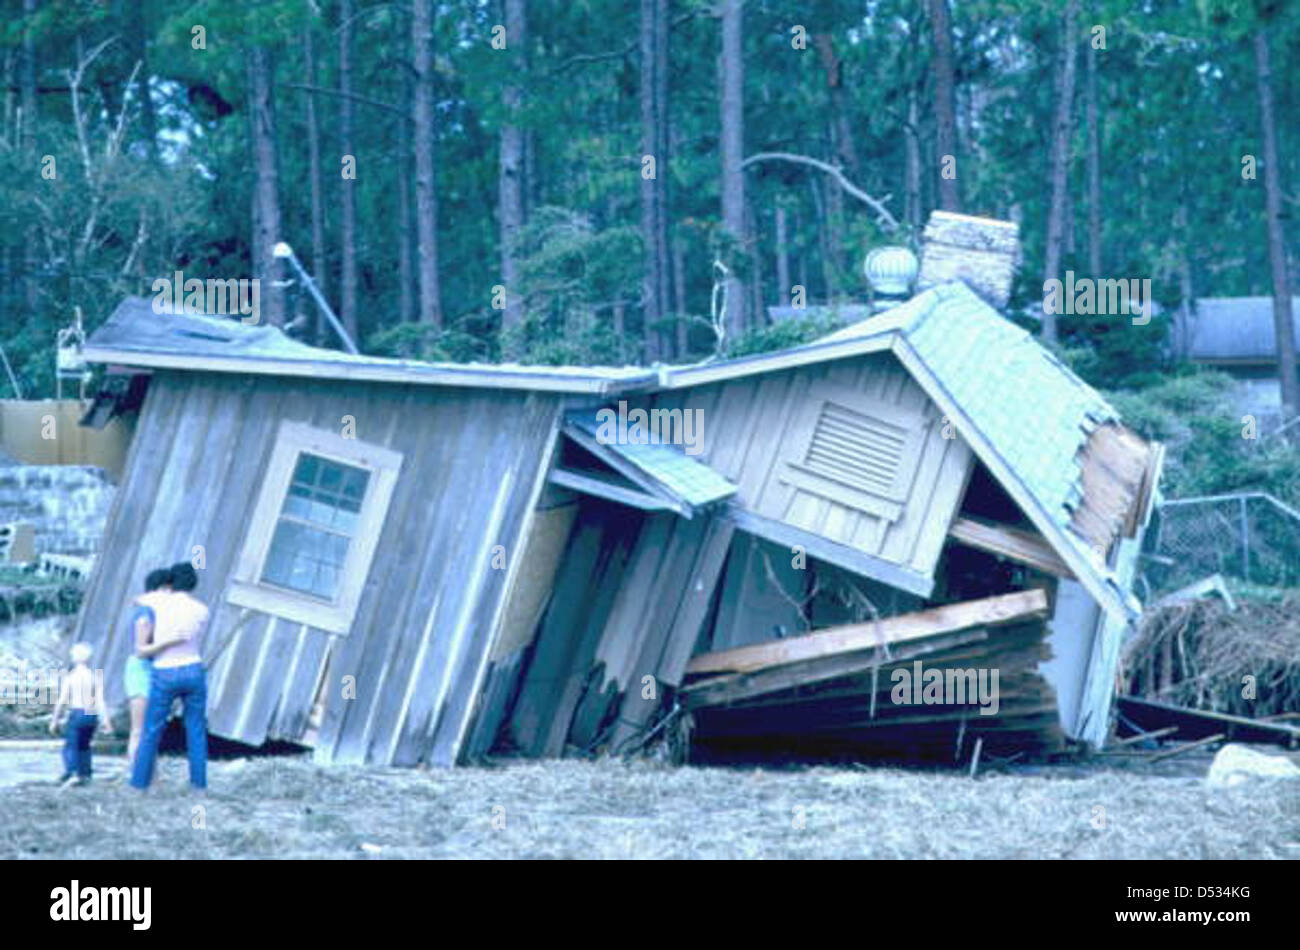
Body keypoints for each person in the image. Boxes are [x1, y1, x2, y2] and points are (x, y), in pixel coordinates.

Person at [129, 561, 210, 791]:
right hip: (193, 667)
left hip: (164, 670)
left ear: (171, 583)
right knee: (195, 729)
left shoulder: (159, 602)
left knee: (151, 730)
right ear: (193, 583)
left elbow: (138, 600)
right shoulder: (202, 609)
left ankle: (139, 784)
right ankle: (198, 785)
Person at [125, 567, 172, 768]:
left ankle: (148, 775)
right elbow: (141, 650)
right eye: (169, 589)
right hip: (142, 670)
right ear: (160, 589)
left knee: (150, 729)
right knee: (139, 729)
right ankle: (135, 774)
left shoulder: (156, 612)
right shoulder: (145, 615)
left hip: (154, 671)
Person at [50, 642, 112, 787]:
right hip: (91, 713)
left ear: (75, 658)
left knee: (71, 745)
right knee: (85, 745)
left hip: (77, 711)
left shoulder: (71, 677)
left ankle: (73, 772)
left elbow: (62, 700)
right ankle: (86, 773)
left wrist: (55, 720)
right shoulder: (94, 676)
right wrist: (106, 721)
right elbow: (100, 701)